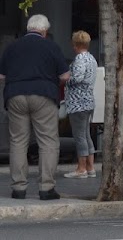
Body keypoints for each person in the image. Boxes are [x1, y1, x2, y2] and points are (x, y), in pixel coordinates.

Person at [0, 15, 69, 200]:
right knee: (47, 141)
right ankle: (46, 188)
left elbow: (1, 76)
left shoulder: (12, 47)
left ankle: (18, 188)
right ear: (44, 31)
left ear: (28, 29)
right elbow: (65, 76)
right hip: (44, 95)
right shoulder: (51, 46)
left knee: (18, 141)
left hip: (15, 95)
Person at [63, 30, 97, 179]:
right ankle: (91, 167)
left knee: (79, 136)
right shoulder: (91, 58)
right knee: (86, 135)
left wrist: (65, 80)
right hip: (88, 101)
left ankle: (81, 168)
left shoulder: (79, 59)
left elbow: (77, 78)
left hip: (78, 102)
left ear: (75, 44)